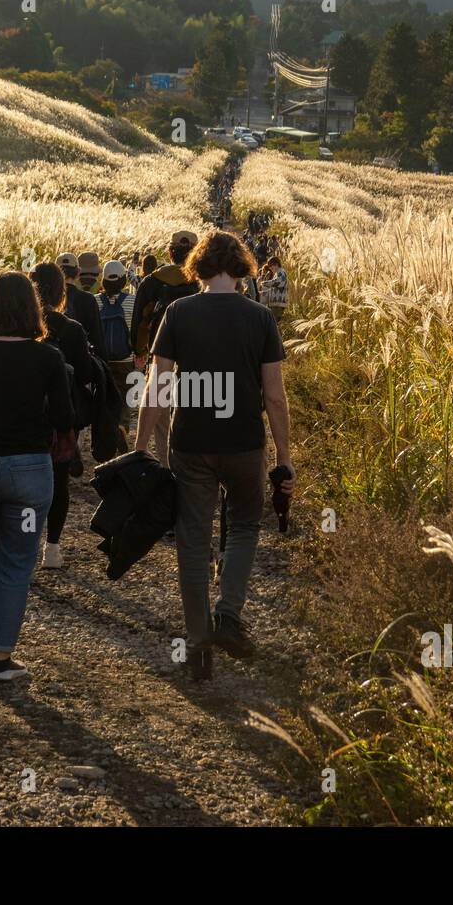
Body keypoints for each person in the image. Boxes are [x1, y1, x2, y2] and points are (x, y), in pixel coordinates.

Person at [135, 231, 294, 680]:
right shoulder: (261, 318)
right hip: (244, 442)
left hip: (192, 444)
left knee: (193, 537)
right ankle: (229, 616)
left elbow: (158, 388)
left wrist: (141, 448)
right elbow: (275, 397)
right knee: (243, 525)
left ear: (199, 268)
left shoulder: (177, 313)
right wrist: (284, 455)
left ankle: (198, 640)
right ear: (241, 266)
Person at [0, 271, 72, 680]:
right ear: (32, 309)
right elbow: (63, 417)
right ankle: (2, 660)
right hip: (27, 471)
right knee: (17, 561)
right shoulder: (47, 357)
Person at [30, 262, 93, 571]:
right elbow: (84, 374)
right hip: (60, 421)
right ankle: (51, 549)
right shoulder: (71, 329)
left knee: (26, 488)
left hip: (25, 419)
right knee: (57, 484)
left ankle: (26, 541)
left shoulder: (18, 327)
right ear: (60, 292)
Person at [130, 230, 200, 466]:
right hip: (197, 362)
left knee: (160, 417)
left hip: (160, 359)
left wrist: (139, 351)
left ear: (170, 252)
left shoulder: (152, 282)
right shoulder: (204, 283)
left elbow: (140, 321)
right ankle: (188, 467)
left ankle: (168, 467)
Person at [96, 259, 136, 429]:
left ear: (103, 280)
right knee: (125, 401)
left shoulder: (95, 301)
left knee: (106, 399)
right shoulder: (133, 301)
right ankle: (122, 430)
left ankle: (109, 432)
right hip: (126, 359)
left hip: (102, 360)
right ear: (123, 280)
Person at [56, 250, 104, 356]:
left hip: (57, 357)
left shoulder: (51, 298)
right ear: (78, 272)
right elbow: (97, 336)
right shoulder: (88, 299)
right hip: (83, 356)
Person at [261, 256, 288, 325]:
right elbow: (275, 287)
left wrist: (265, 283)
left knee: (274, 325)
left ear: (276, 264)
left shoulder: (281, 272)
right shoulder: (277, 273)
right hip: (275, 304)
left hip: (278, 304)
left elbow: (279, 283)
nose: (270, 268)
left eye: (271, 266)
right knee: (273, 324)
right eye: (269, 266)